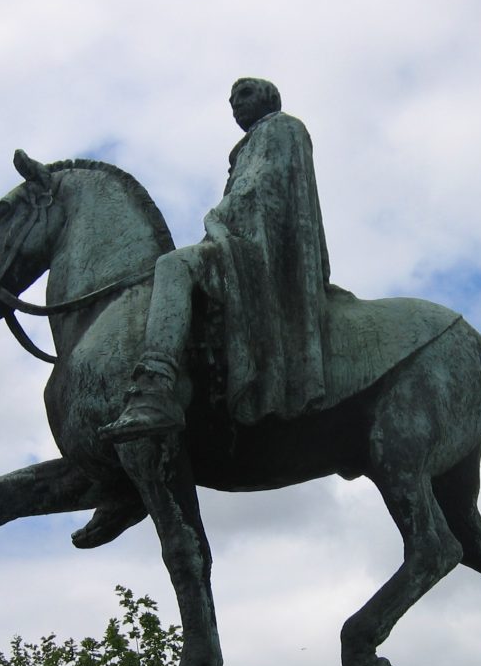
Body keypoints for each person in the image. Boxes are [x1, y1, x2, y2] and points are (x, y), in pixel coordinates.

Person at [100, 77, 331, 441]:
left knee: (173, 264)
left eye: (244, 96)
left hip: (260, 249)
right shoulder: (246, 146)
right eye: (231, 100)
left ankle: (155, 388)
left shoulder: (283, 127)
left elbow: (262, 188)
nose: (235, 105)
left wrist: (221, 215)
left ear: (269, 98)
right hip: (239, 239)